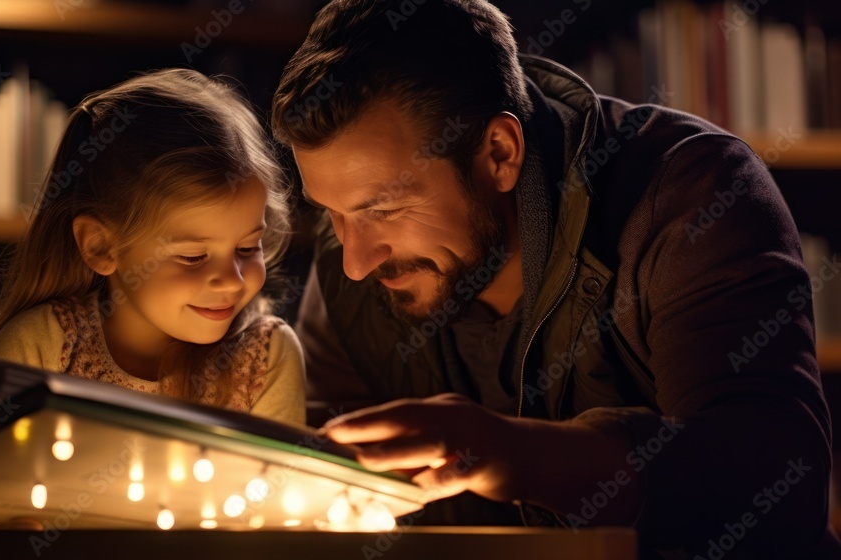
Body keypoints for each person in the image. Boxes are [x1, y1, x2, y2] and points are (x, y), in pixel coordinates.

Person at [270, 0, 839, 557]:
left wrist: (513, 455)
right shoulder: (349, 260)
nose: (355, 260)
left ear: (498, 152)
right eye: (331, 213)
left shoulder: (690, 193)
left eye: (383, 210)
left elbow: (779, 487)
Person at [0, 68, 305, 528]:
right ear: (101, 246)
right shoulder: (43, 346)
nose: (232, 280)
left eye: (246, 248)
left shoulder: (265, 358)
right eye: (194, 256)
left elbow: (280, 532)